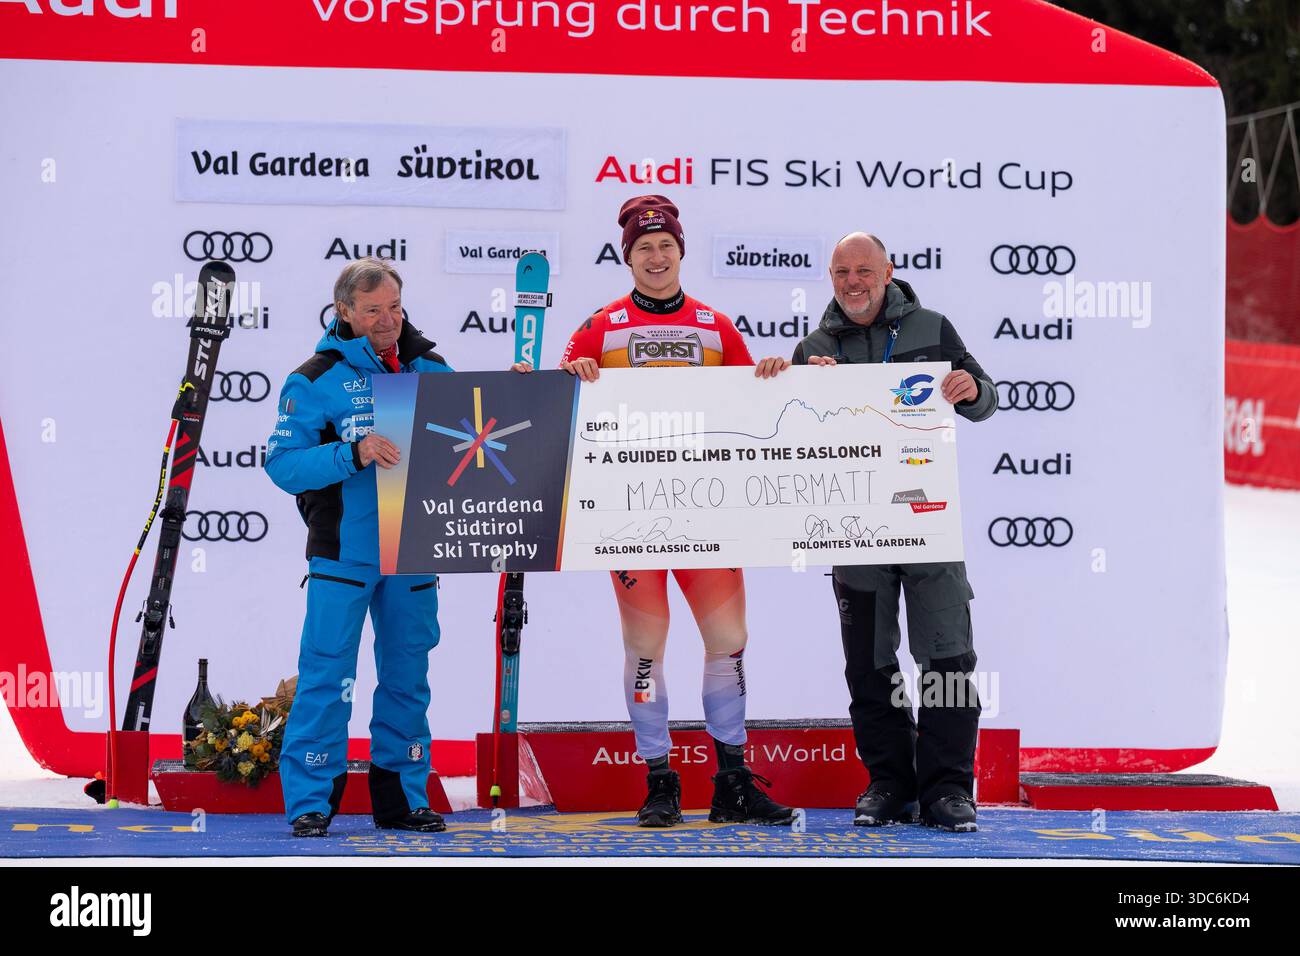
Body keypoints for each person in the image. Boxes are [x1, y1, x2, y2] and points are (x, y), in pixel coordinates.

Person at [516, 194, 795, 828]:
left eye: (666, 244)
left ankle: (732, 782)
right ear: (629, 257)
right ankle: (660, 780)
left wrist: (778, 373)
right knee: (645, 648)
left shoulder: (718, 326)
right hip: (631, 517)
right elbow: (553, 406)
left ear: (681, 250)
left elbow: (755, 412)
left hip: (708, 515)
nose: (657, 255)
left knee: (728, 642)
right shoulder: (601, 325)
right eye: (644, 247)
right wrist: (573, 371)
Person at [792, 232, 997, 832]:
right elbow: (790, 437)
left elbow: (985, 400)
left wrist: (970, 389)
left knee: (947, 659)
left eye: (863, 270)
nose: (852, 282)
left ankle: (949, 789)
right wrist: (799, 384)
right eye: (840, 272)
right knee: (868, 663)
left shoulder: (933, 327)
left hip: (928, 525)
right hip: (855, 531)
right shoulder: (815, 346)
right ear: (830, 278)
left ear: (888, 272)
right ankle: (889, 782)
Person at [265, 257, 452, 838]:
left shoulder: (431, 367)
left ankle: (402, 798)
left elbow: (478, 426)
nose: (387, 320)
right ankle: (310, 803)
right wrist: (353, 453)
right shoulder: (314, 377)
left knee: (407, 677)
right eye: (372, 310)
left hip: (413, 549)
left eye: (394, 307)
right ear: (344, 311)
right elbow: (283, 464)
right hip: (344, 552)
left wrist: (520, 387)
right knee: (326, 676)